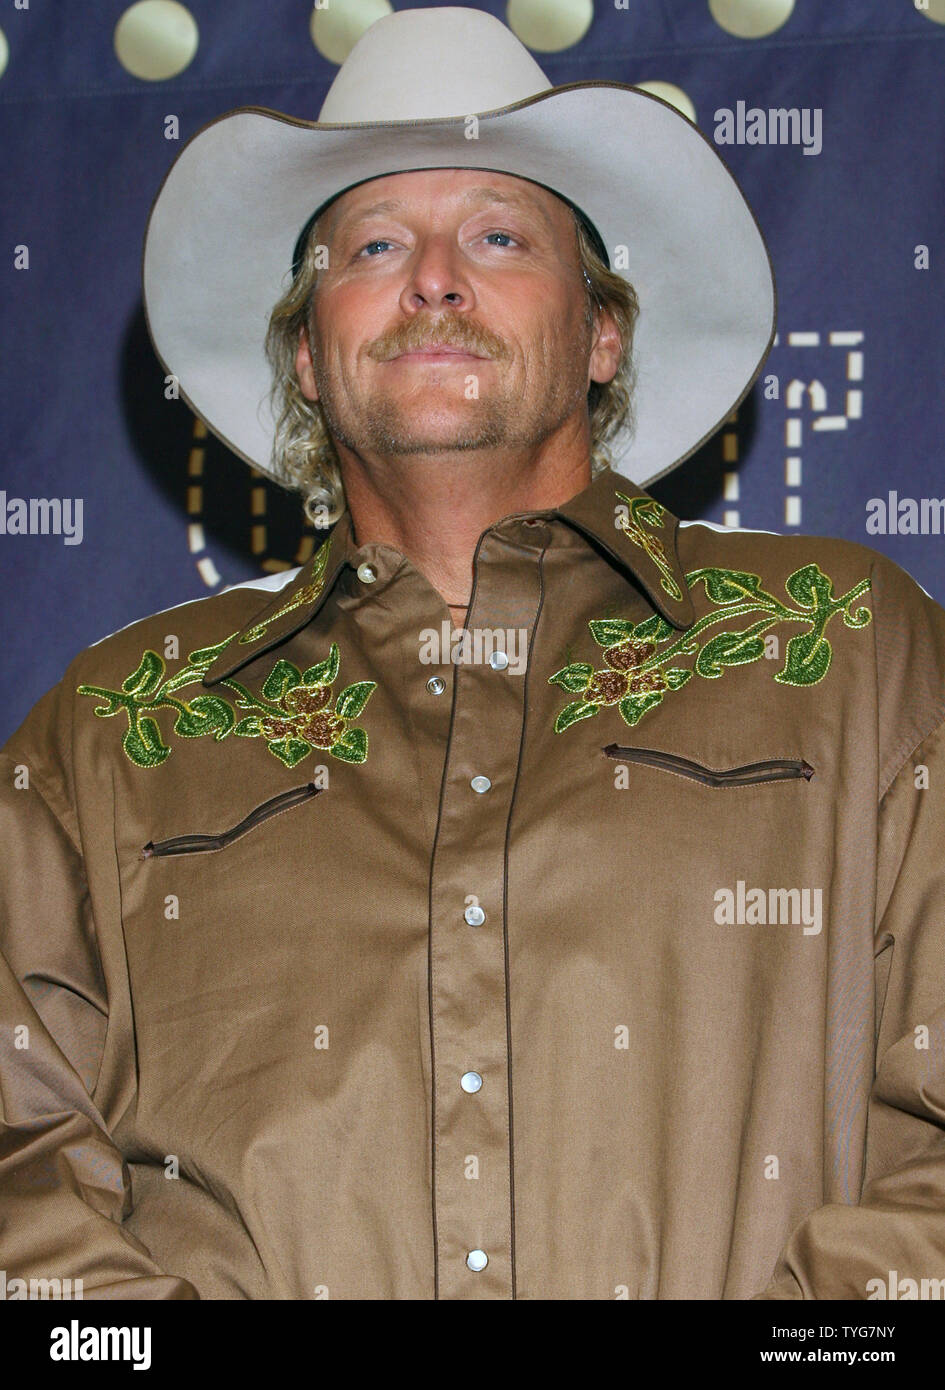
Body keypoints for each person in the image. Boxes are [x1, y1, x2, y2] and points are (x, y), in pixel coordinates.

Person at [2, 6, 944, 1302]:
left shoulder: (854, 652)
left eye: (498, 236)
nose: (433, 277)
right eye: (374, 243)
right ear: (306, 355)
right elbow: (19, 1171)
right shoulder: (110, 731)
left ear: (602, 333)